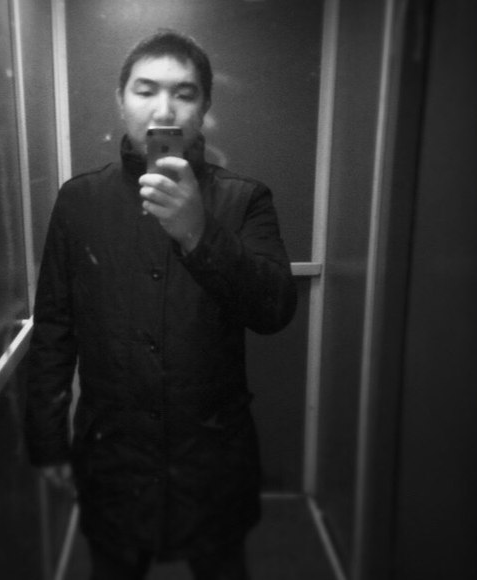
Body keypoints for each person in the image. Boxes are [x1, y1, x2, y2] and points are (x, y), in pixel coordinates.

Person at [24, 29, 297, 580]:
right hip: (112, 455)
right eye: (146, 90)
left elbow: (274, 310)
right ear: (120, 100)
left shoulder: (244, 199)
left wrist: (199, 232)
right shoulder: (79, 201)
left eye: (184, 93)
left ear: (205, 107)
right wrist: (47, 439)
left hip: (212, 458)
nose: (164, 109)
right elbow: (55, 325)